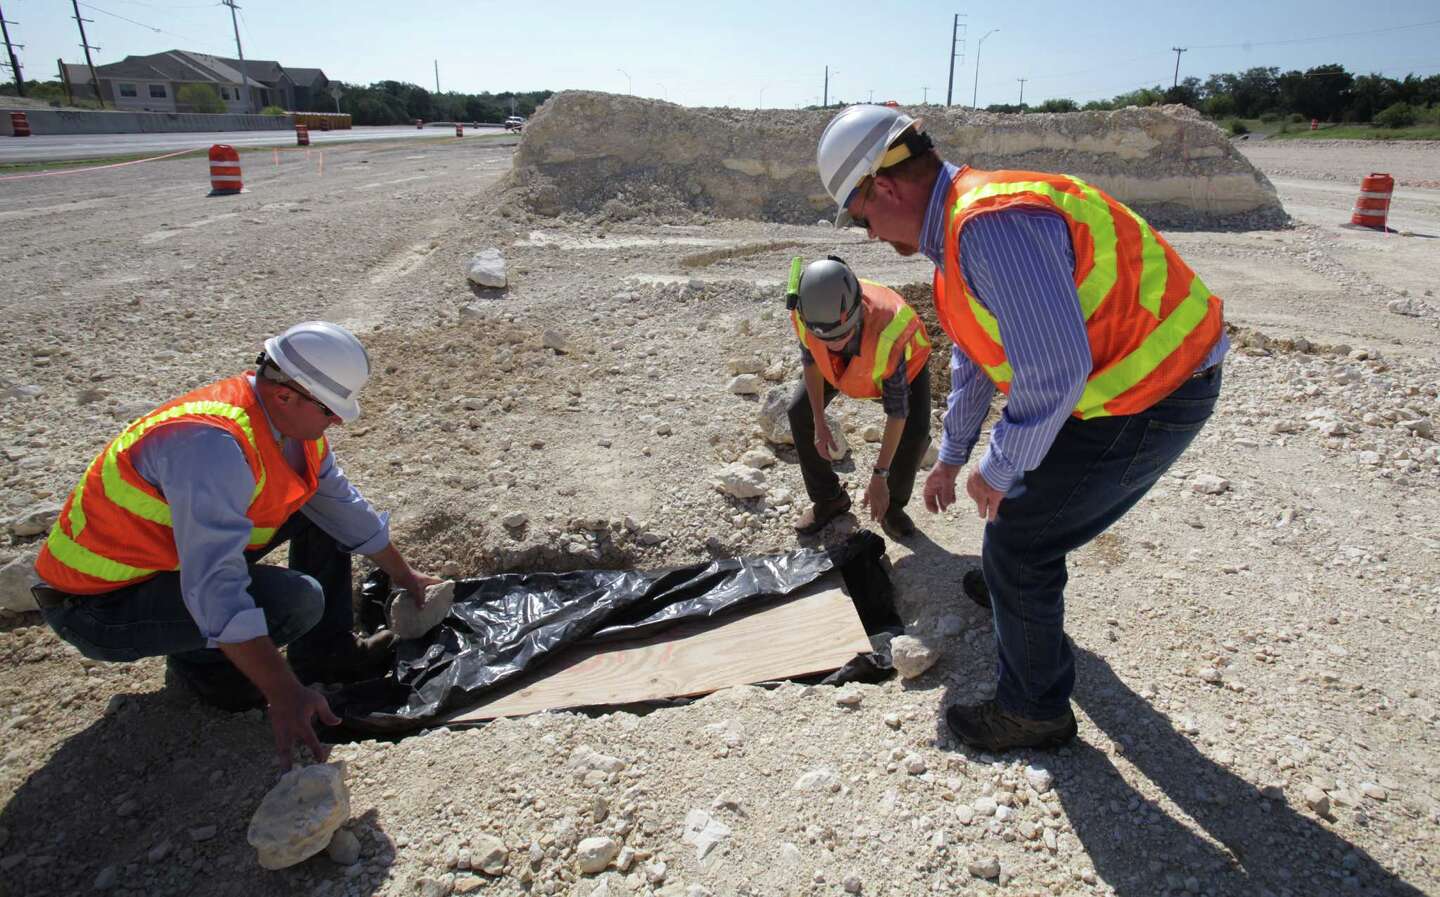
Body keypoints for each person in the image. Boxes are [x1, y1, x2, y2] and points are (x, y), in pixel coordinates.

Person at [816, 106, 1227, 752]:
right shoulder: (957, 237)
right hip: (1124, 381)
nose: (867, 235)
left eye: (860, 217)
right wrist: (952, 455)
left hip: (1159, 387)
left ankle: (1034, 709)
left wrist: (999, 464)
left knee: (1017, 539)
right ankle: (1015, 593)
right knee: (1022, 510)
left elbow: (1055, 369)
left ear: (885, 187)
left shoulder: (986, 225)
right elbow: (978, 356)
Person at [32, 321, 439, 768]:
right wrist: (283, 692)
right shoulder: (211, 444)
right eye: (329, 410)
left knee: (318, 511)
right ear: (285, 395)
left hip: (165, 565)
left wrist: (404, 574)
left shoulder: (291, 429)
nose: (338, 420)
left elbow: (341, 506)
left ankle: (327, 655)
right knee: (295, 602)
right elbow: (214, 585)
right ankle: (207, 674)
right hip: (98, 605)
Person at [785, 256, 933, 540]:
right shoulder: (808, 313)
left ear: (857, 315)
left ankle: (892, 507)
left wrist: (880, 476)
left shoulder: (890, 333)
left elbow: (897, 411)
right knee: (798, 411)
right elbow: (812, 361)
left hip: (904, 363)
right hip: (843, 370)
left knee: (915, 433)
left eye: (841, 336)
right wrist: (819, 421)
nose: (833, 344)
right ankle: (829, 499)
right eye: (826, 339)